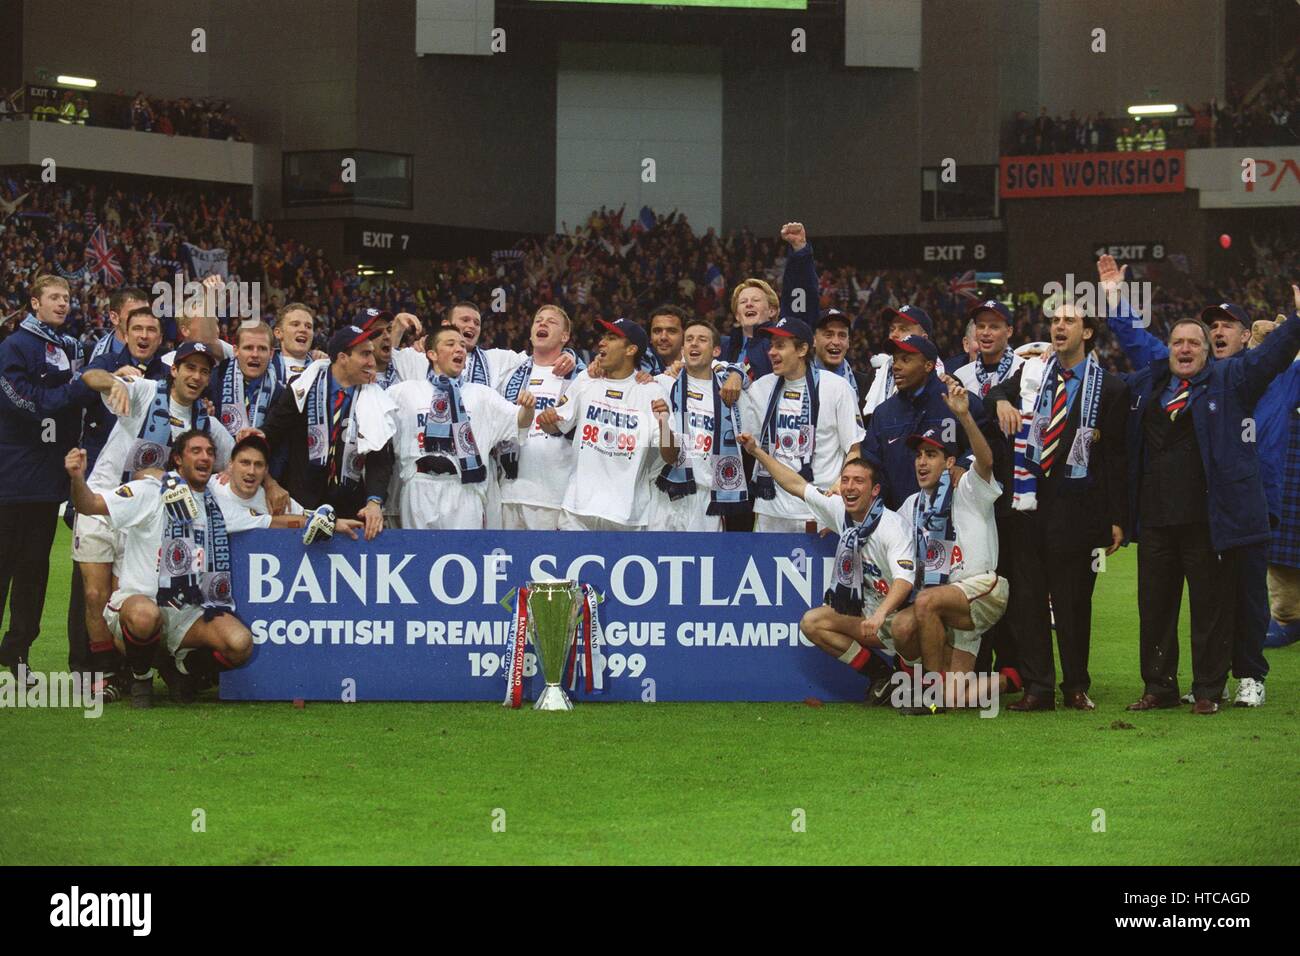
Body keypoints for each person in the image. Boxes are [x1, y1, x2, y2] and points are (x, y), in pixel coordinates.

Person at [1102, 256, 1292, 707]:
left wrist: (1297, 321)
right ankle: (1171, 685)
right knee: (1164, 605)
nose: (1188, 346)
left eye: (1204, 337)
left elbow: (1274, 355)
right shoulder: (1166, 371)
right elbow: (1136, 339)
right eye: (1181, 340)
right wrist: (1114, 298)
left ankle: (1238, 678)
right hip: (1172, 514)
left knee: (1236, 599)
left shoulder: (1238, 377)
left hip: (1238, 507)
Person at [64, 431, 352, 708]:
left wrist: (326, 522)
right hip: (140, 604)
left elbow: (274, 522)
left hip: (186, 613)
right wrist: (77, 478)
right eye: (196, 451)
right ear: (177, 459)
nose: (205, 457)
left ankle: (182, 670)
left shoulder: (219, 506)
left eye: (210, 452)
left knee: (239, 643)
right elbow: (89, 505)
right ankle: (142, 678)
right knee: (144, 615)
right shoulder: (150, 491)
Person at [985, 303, 1128, 711]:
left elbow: (1116, 459)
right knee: (1028, 601)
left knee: (1073, 603)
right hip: (1027, 510)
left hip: (1078, 512)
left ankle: (1076, 685)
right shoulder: (1032, 374)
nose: (1058, 327)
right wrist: (1000, 402)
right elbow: (996, 391)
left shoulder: (1111, 389)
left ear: (1086, 333)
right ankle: (1038, 687)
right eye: (1054, 321)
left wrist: (1118, 519)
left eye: (1069, 321)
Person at [75, 341, 238, 689]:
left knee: (127, 598)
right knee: (94, 594)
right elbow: (91, 376)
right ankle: (106, 672)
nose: (196, 376)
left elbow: (235, 458)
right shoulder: (147, 391)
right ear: (174, 371)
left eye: (204, 371)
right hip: (105, 497)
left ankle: (135, 671)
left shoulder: (204, 422)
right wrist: (114, 383)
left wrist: (265, 483)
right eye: (189, 368)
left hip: (143, 512)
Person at [741, 434, 912, 698]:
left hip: (902, 620)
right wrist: (756, 452)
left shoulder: (892, 526)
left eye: (858, 481)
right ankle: (882, 675)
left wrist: (882, 615)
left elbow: (904, 581)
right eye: (845, 480)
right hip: (869, 617)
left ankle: (911, 676)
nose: (850, 487)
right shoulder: (838, 510)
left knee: (907, 628)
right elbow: (796, 484)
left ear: (875, 490)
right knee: (813, 623)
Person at [890, 385, 1008, 713]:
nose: (922, 463)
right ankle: (1011, 678)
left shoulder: (967, 487)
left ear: (950, 461)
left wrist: (965, 416)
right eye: (919, 455)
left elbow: (986, 460)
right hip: (944, 607)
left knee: (926, 601)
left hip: (983, 592)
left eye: (932, 455)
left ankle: (930, 694)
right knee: (902, 626)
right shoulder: (910, 506)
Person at [0, 275, 90, 684]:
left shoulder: (69, 348)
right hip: (10, 478)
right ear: (35, 303)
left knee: (34, 571)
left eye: (67, 298)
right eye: (54, 297)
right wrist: (72, 393)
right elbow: (22, 403)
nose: (62, 304)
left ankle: (18, 652)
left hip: (46, 482)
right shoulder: (14, 347)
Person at [387, 327, 536, 530]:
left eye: (462, 345)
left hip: (464, 489)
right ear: (432, 354)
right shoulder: (403, 393)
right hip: (418, 488)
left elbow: (519, 422)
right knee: (419, 558)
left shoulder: (483, 395)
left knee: (463, 557)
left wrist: (528, 408)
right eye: (450, 344)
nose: (460, 349)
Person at [259, 323, 395, 540]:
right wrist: (269, 483)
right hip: (300, 506)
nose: (372, 362)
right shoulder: (302, 386)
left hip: (351, 510)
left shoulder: (376, 398)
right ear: (342, 357)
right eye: (365, 354)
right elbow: (271, 435)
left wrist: (374, 502)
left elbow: (380, 458)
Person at [536, 318, 673, 531]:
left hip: (628, 516)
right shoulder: (586, 380)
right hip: (576, 510)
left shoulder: (652, 391)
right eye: (603, 337)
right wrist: (546, 421)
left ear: (631, 350)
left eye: (611, 338)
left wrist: (664, 424)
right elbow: (557, 425)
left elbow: (671, 456)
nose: (601, 342)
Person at [739, 317, 864, 533]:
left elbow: (853, 449)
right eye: (771, 346)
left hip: (818, 509)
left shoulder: (837, 387)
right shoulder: (759, 388)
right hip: (771, 509)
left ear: (802, 349)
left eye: (780, 346)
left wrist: (840, 487)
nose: (771, 352)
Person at [860, 335, 984, 509]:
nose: (896, 366)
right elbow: (872, 465)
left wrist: (964, 465)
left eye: (905, 360)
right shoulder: (883, 413)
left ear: (928, 365)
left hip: (953, 516)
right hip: (900, 520)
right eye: (895, 360)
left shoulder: (958, 401)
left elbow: (987, 442)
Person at [648, 319, 748, 532]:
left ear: (716, 351)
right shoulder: (663, 384)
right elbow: (668, 452)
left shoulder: (731, 392)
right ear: (682, 349)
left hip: (707, 497)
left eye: (702, 340)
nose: (694, 344)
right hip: (666, 492)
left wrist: (738, 373)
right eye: (689, 340)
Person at [497, 305, 587, 531]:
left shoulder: (580, 377)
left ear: (565, 336)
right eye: (538, 320)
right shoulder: (510, 371)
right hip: (509, 492)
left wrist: (573, 357)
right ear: (530, 332)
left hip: (554, 495)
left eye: (551, 322)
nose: (542, 324)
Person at [860, 305, 947, 421]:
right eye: (892, 329)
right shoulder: (877, 373)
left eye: (903, 329)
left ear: (924, 338)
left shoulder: (945, 380)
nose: (894, 334)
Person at [208, 321, 283, 437]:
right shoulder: (213, 381)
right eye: (248, 348)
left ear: (271, 353)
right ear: (236, 350)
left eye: (262, 348)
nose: (255, 354)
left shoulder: (280, 393)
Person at [954, 300, 1022, 399]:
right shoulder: (961, 376)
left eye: (994, 327)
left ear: (1009, 332)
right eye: (981, 326)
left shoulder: (1025, 371)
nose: (985, 332)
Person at [812, 309, 872, 400]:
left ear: (848, 342)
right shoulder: (799, 381)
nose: (836, 342)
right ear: (814, 340)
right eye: (828, 335)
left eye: (842, 335)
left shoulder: (866, 385)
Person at [270, 302, 322, 382]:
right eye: (295, 324)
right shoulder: (265, 365)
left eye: (308, 326)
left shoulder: (322, 369)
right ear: (278, 333)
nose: (303, 330)